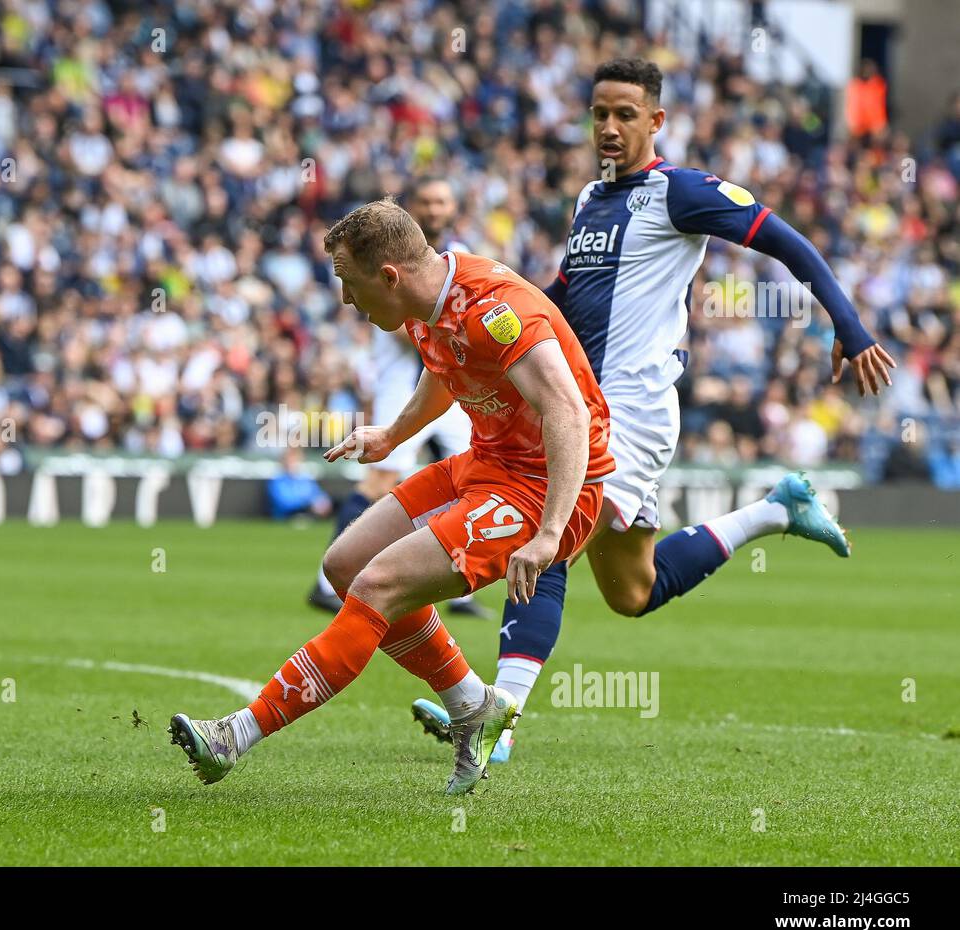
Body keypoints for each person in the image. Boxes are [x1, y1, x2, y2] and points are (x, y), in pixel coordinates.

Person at [410, 57, 897, 764]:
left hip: (629, 412)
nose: (609, 127)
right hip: (583, 408)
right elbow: (565, 295)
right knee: (633, 592)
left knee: (546, 544)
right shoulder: (588, 201)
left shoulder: (681, 193)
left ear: (656, 121)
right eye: (599, 114)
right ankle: (777, 511)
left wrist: (850, 330)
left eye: (626, 114)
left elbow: (791, 245)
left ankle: (496, 720)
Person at [170, 198, 614, 794]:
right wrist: (393, 435)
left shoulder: (497, 310)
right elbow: (445, 366)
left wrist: (551, 532)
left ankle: (236, 735)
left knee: (379, 586)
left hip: (548, 487)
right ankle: (474, 707)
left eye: (350, 285)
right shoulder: (430, 304)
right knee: (344, 566)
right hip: (488, 464)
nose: (347, 301)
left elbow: (567, 411)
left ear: (388, 276)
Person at [307, 176, 486, 619]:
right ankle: (327, 582)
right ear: (415, 210)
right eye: (427, 201)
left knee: (472, 479)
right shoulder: (388, 253)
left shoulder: (458, 254)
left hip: (451, 377)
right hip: (405, 382)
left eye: (442, 200)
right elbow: (409, 322)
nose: (436, 208)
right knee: (380, 481)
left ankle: (460, 587)